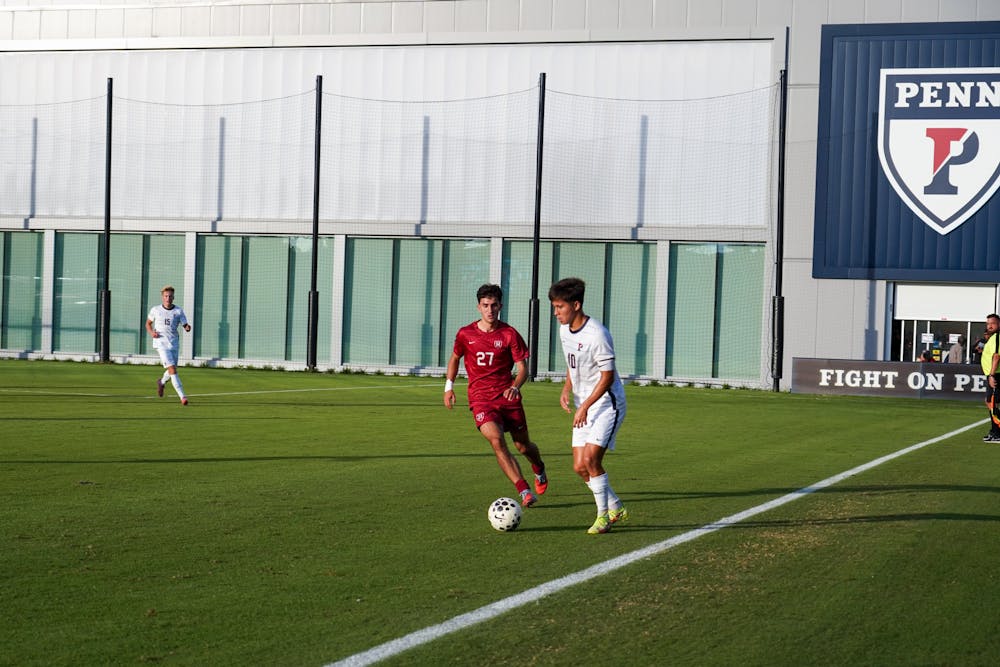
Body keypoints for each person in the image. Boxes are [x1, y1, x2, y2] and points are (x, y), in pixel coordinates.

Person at [444, 284, 547, 507]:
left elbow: (523, 369)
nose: (490, 310)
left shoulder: (510, 334)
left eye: (493, 305)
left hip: (508, 398)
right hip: (481, 399)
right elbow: (454, 358)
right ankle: (524, 491)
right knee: (497, 440)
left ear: (500, 306)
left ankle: (538, 466)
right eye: (485, 305)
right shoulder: (465, 333)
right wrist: (448, 386)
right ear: (478, 307)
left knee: (523, 446)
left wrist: (515, 386)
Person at [548, 277, 628, 534]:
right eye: (554, 307)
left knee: (592, 459)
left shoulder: (598, 335)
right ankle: (616, 506)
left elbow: (607, 377)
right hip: (584, 403)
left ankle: (603, 518)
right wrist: (566, 388)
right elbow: (573, 364)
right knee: (579, 466)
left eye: (560, 307)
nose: (556, 312)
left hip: (607, 404)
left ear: (576, 304)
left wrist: (585, 407)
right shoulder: (564, 330)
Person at [146, 285, 192, 405]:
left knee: (173, 369)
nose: (168, 298)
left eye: (170, 296)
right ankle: (183, 397)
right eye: (166, 296)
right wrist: (151, 332)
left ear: (173, 297)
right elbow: (148, 324)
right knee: (172, 369)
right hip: (160, 343)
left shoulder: (178, 311)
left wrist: (187, 327)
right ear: (162, 297)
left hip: (174, 343)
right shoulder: (156, 310)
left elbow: (185, 324)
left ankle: (161, 382)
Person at [981, 315, 1000, 442]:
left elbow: (996, 356)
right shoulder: (992, 338)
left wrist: (992, 375)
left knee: (993, 402)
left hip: (996, 374)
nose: (989, 326)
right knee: (990, 402)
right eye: (988, 323)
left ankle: (997, 432)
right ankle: (994, 431)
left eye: (992, 323)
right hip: (992, 374)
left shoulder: (997, 337)